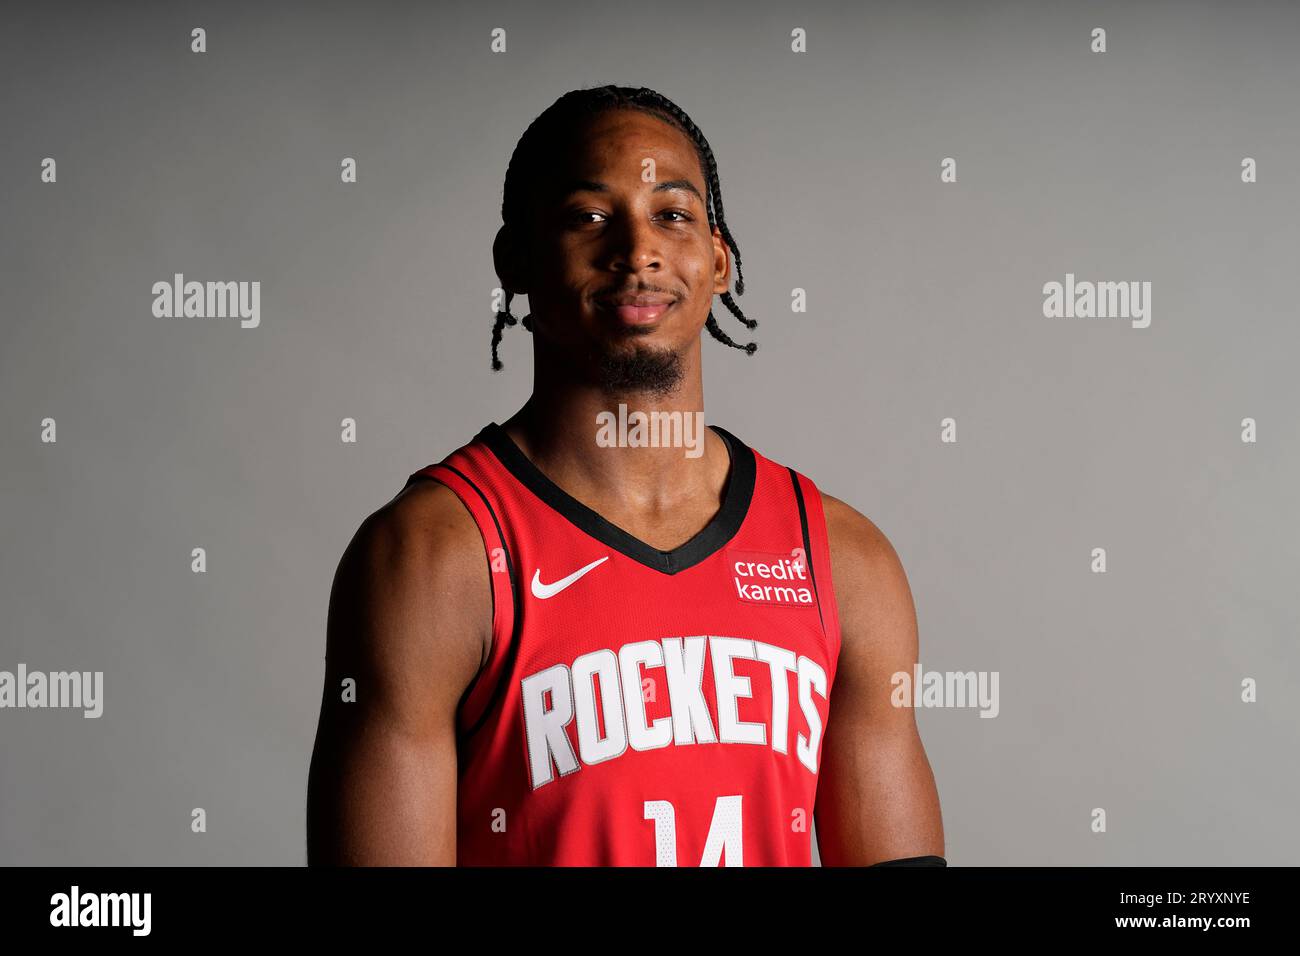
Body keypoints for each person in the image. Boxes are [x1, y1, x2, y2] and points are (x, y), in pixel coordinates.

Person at [306, 85, 944, 867]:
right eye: (589, 217)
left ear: (717, 260)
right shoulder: (432, 559)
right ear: (517, 261)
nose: (636, 249)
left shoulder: (842, 562)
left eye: (672, 214)